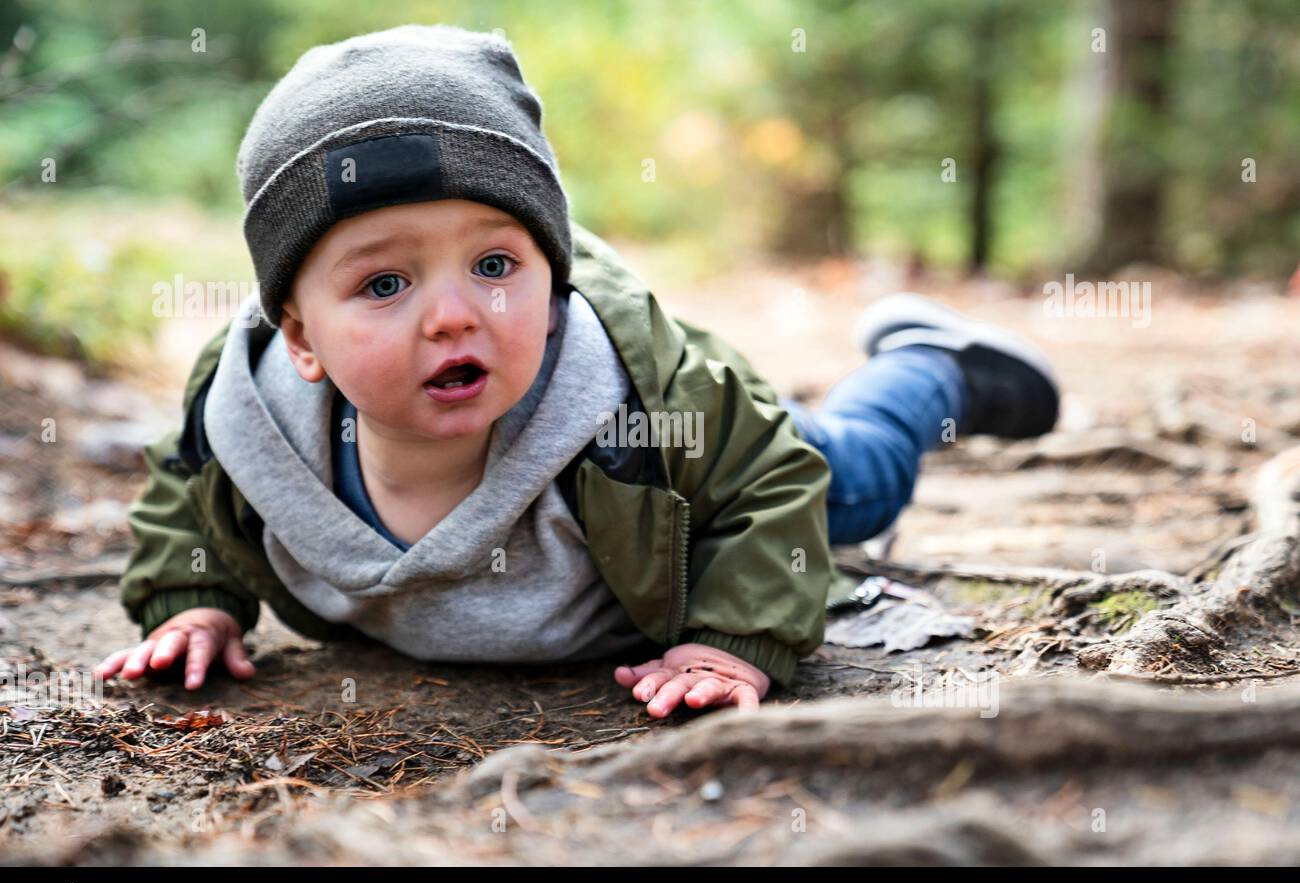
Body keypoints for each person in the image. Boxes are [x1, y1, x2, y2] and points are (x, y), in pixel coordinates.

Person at [99, 24, 1058, 718]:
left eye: (495, 265)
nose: (454, 315)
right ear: (301, 336)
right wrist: (194, 604)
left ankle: (930, 368)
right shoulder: (243, 423)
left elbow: (768, 483)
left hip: (712, 468)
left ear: (551, 281)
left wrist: (737, 638)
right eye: (386, 282)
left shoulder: (643, 402)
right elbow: (188, 492)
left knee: (856, 475)